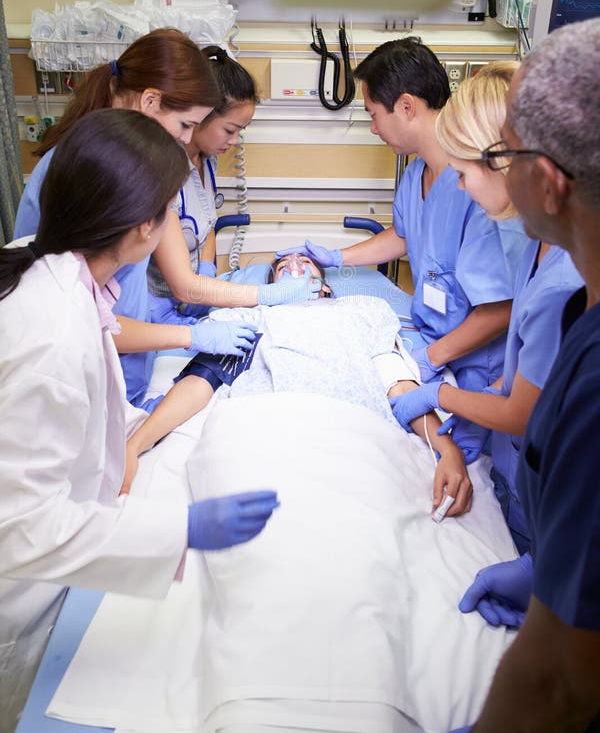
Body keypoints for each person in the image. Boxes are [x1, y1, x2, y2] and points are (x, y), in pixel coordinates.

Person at [0, 108, 279, 733]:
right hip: (14, 603)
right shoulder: (52, 337)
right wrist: (175, 532)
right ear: (140, 229)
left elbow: (73, 404)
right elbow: (19, 526)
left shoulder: (45, 265)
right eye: (170, 215)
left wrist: (141, 422)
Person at [14, 28, 320, 410]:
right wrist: (196, 331)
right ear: (149, 100)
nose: (186, 139)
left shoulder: (124, 163)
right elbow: (88, 321)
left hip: (119, 368)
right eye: (185, 126)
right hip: (89, 379)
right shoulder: (95, 173)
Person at [448, 18, 600, 733]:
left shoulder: (585, 350)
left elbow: (561, 683)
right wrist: (554, 574)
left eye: (503, 156)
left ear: (546, 182)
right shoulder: (581, 308)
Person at [279, 37, 526, 462]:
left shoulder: (482, 186)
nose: (373, 128)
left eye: (374, 114)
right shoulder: (417, 176)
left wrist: (430, 359)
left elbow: (501, 306)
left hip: (469, 366)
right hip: (426, 340)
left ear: (407, 106)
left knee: (439, 459)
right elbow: (403, 236)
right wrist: (337, 258)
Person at [389, 61, 582, 554]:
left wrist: (440, 396)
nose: (460, 187)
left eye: (463, 173)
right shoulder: (535, 246)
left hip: (547, 467)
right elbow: (525, 368)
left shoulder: (565, 276)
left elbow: (524, 411)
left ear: (504, 162)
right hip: (513, 448)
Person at [121, 251, 473, 517]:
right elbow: (203, 379)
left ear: (325, 283)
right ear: (270, 286)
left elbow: (398, 387)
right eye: (282, 266)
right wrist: (135, 444)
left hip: (351, 435)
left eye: (303, 261)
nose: (292, 266)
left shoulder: (363, 310)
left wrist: (448, 450)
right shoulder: (250, 315)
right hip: (263, 431)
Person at [146, 44, 259, 320]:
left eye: (240, 132)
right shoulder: (160, 169)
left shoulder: (208, 160)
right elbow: (182, 284)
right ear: (202, 115)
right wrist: (266, 294)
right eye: (229, 130)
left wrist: (208, 267)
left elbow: (207, 225)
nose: (233, 142)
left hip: (196, 295)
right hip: (161, 304)